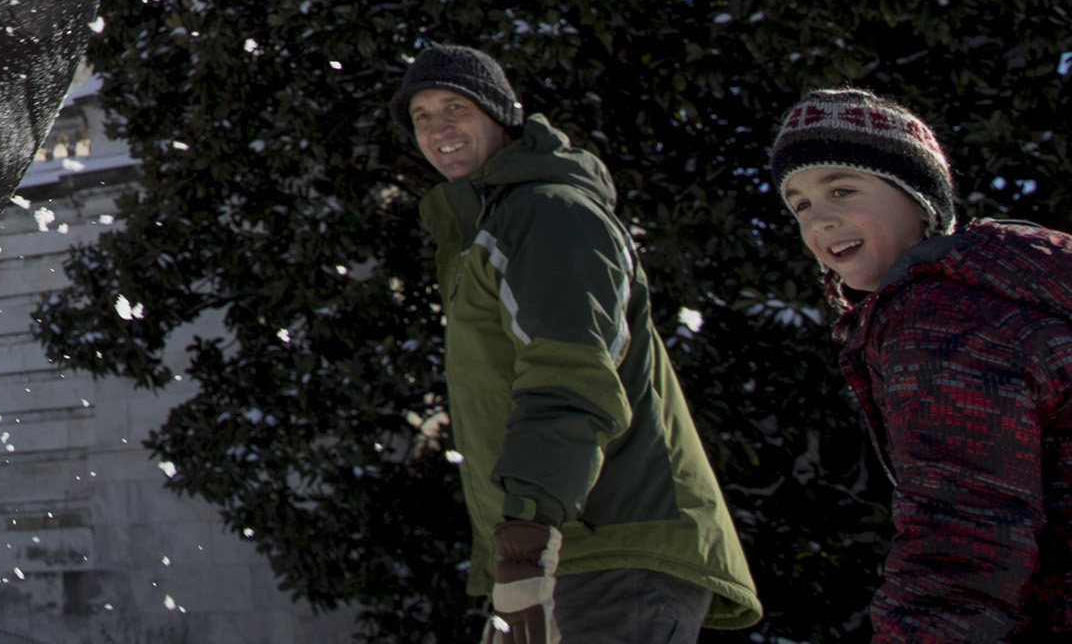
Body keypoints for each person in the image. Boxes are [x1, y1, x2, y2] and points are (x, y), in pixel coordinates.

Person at [396, 44, 760, 641]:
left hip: (610, 545)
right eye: (422, 117)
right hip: (565, 551)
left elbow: (569, 372)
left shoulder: (549, 214)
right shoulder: (493, 228)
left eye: (455, 107)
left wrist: (527, 539)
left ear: (501, 115)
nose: (439, 129)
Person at [771, 89, 1072, 638]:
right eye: (801, 204)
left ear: (919, 198)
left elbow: (966, 530)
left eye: (842, 188)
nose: (821, 218)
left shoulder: (938, 316)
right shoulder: (1004, 293)